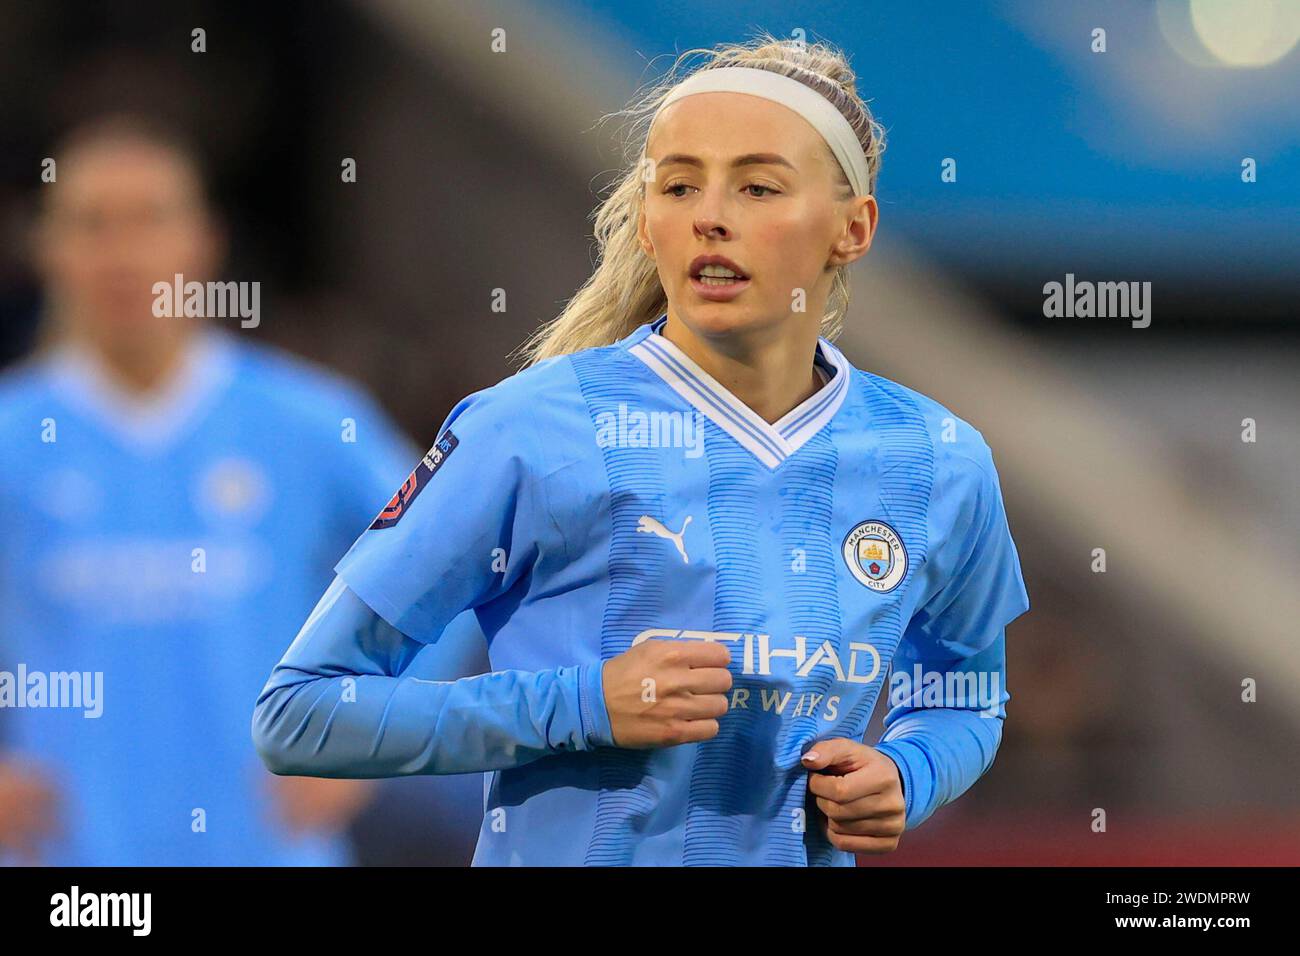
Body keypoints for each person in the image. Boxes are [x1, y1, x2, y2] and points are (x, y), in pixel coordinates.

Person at [254, 34, 1029, 866]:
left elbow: (962, 697)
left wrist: (908, 773)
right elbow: (300, 714)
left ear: (853, 227)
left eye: (758, 186)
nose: (710, 216)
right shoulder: (528, 430)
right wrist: (584, 705)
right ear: (648, 221)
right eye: (679, 184)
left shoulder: (936, 457)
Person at [0, 114, 478, 865]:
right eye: (91, 225)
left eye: (149, 220)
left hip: (265, 849)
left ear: (203, 241)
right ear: (47, 248)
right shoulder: (15, 435)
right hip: (75, 868)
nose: (123, 254)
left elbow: (459, 559)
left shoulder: (308, 422)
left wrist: (381, 729)